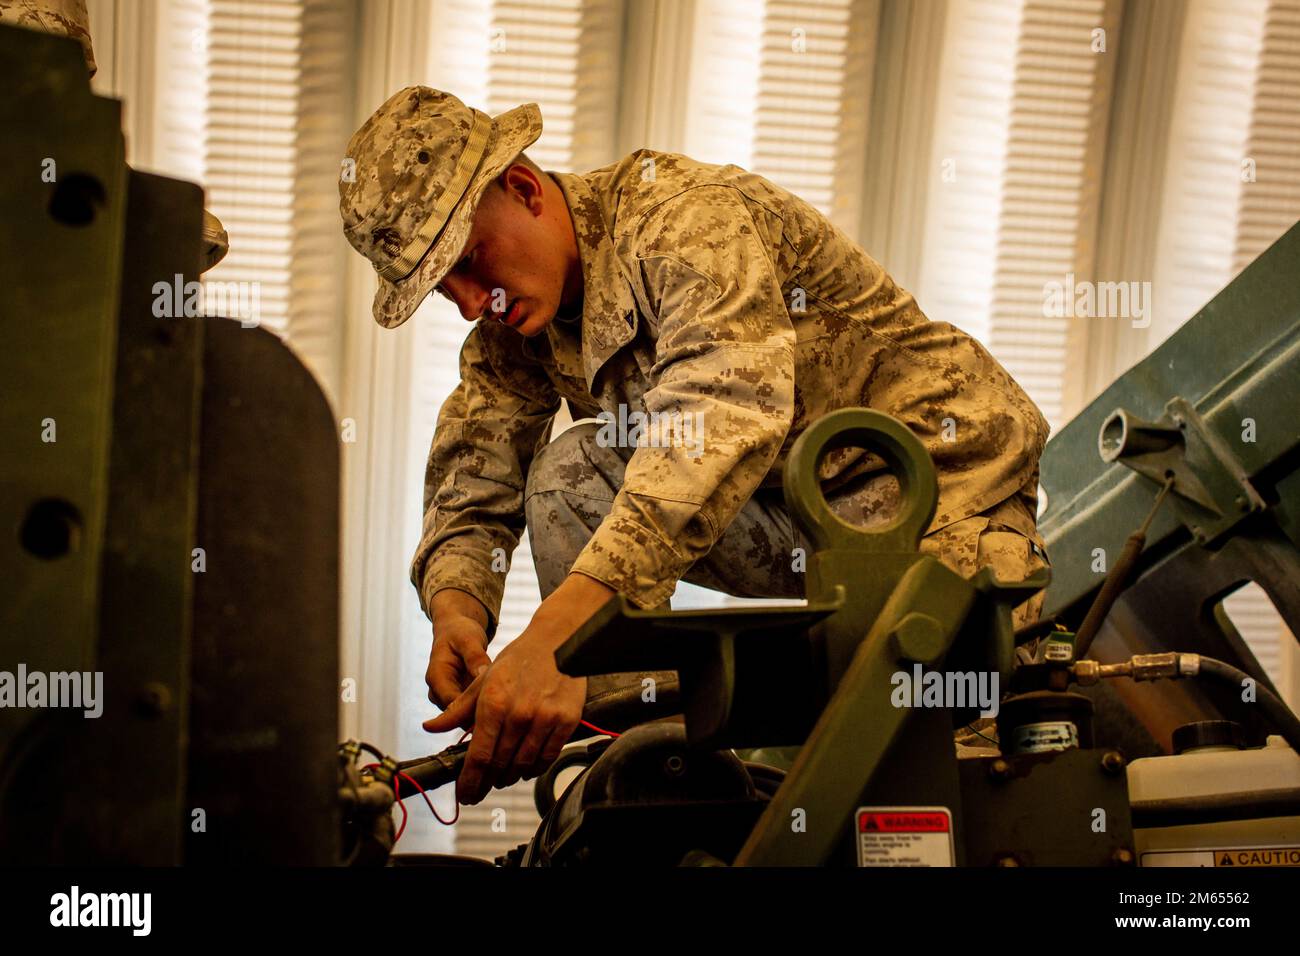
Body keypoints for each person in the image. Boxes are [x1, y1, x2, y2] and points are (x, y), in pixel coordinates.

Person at [339, 87, 1051, 805]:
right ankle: (641, 776)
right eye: (444, 289)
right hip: (790, 513)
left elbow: (716, 419)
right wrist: (457, 610)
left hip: (937, 492)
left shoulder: (684, 220)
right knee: (569, 477)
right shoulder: (513, 320)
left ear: (523, 189)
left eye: (470, 259)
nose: (468, 302)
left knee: (935, 766)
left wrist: (556, 640)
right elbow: (475, 468)